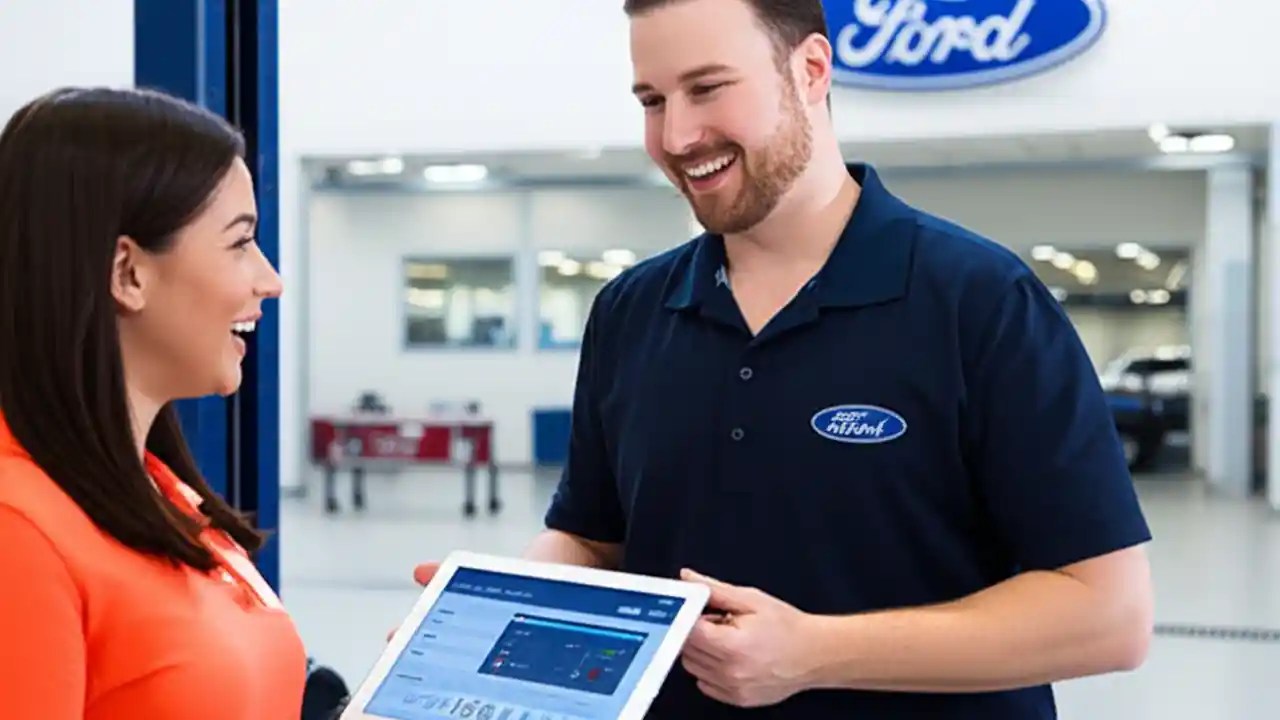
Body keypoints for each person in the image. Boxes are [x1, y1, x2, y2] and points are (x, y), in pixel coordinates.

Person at [412, 0, 1154, 717]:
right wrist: (494, 617)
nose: (677, 136)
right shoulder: (630, 311)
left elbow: (1107, 615)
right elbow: (590, 539)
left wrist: (815, 653)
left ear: (811, 70)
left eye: (708, 88)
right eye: (652, 101)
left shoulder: (980, 301)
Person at [0, 87, 304, 718]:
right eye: (240, 243)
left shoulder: (157, 491)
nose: (269, 281)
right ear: (127, 273)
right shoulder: (18, 530)